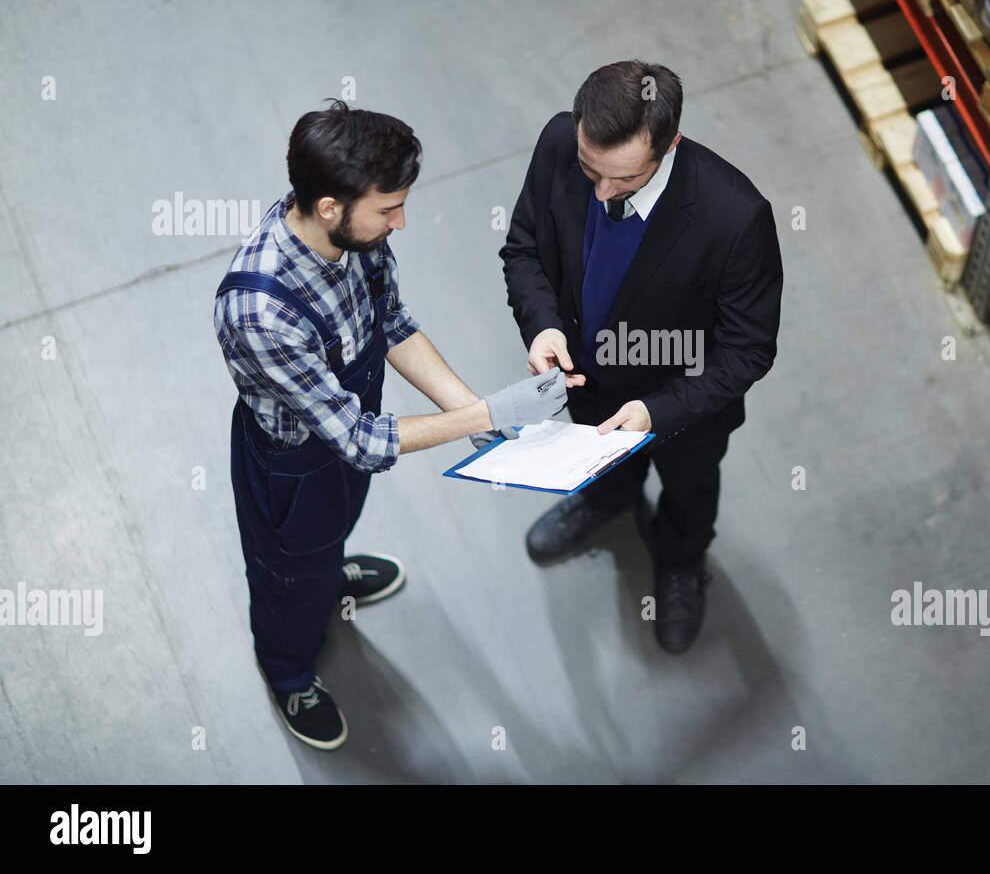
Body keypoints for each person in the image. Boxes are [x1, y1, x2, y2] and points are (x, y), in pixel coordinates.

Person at [214, 100, 576, 750]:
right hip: (292, 464)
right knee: (286, 578)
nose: (400, 222)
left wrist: (470, 412)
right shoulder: (259, 311)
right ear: (330, 206)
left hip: (351, 416)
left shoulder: (357, 238)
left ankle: (328, 575)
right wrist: (489, 413)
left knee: (331, 536)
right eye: (388, 208)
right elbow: (359, 438)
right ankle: (289, 668)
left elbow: (393, 325)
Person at [499, 61, 783, 654]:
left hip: (683, 409)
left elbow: (747, 349)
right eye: (589, 171)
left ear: (670, 142)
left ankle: (680, 561)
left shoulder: (734, 217)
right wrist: (544, 327)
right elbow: (524, 247)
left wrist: (659, 410)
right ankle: (608, 497)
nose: (601, 193)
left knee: (688, 490)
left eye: (623, 179)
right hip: (586, 385)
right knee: (603, 463)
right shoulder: (559, 140)